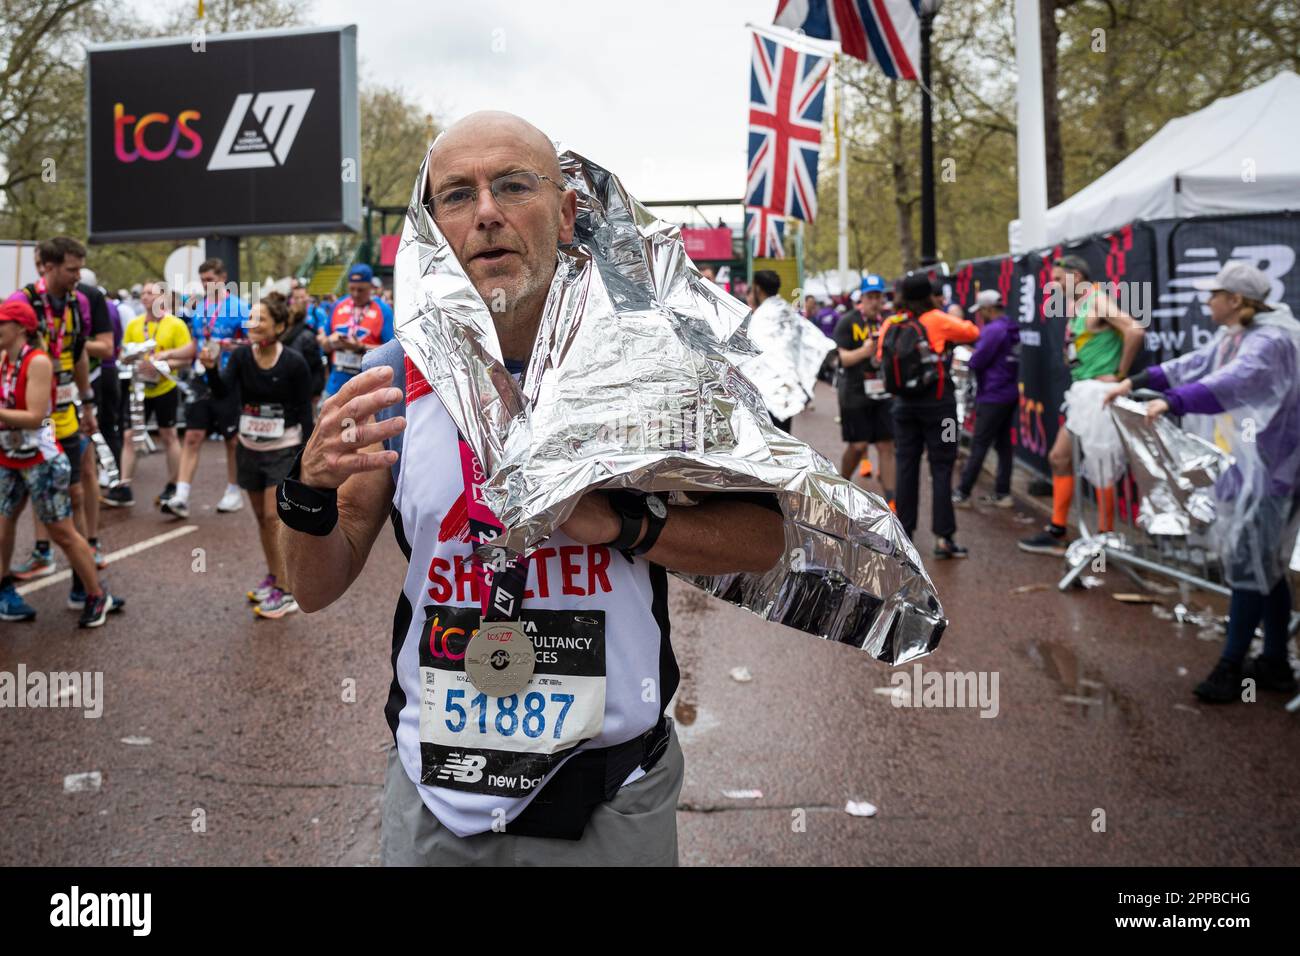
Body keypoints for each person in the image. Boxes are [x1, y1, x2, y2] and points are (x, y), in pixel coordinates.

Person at [277, 110, 784, 866]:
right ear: (433, 227)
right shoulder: (388, 378)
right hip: (437, 792)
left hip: (610, 794)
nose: (485, 213)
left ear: (569, 209)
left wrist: (622, 526)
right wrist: (307, 491)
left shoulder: (655, 368)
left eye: (513, 185)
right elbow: (315, 587)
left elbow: (764, 539)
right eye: (456, 195)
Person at [1104, 263, 1300, 703]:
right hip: (1254, 470)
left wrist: (1170, 400)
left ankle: (1232, 666)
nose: (1206, 300)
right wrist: (1135, 382)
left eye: (1214, 294)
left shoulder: (1270, 341)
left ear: (1235, 300)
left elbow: (1232, 382)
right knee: (1263, 567)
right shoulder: (1237, 335)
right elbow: (1193, 364)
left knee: (1252, 566)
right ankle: (1274, 663)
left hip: (1273, 474)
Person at [0, 297, 124, 627]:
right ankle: (4, 590)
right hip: (9, 456)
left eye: (1, 323)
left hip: (42, 459)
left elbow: (35, 415)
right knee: (2, 522)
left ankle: (95, 594)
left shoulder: (37, 361)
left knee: (62, 532)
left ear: (20, 328)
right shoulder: (3, 360)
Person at [1020, 255, 1144, 555]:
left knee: (1101, 465)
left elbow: (1134, 330)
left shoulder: (1098, 301)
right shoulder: (1079, 305)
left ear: (1076, 276)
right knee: (1060, 458)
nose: (1055, 285)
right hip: (1082, 394)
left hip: (1100, 393)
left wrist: (1120, 375)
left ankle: (1104, 538)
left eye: (1060, 279)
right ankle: (1058, 530)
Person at [203, 293, 312, 619]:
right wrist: (210, 370)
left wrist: (307, 457)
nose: (252, 324)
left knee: (271, 517)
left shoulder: (294, 362)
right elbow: (222, 392)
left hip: (284, 447)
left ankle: (287, 590)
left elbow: (306, 411)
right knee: (261, 522)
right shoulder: (240, 358)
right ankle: (274, 576)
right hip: (250, 448)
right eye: (251, 318)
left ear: (278, 326)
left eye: (260, 319)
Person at [6, 239, 102, 601]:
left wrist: (87, 403)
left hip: (64, 417)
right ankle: (16, 578)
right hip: (27, 421)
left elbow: (77, 354)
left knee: (74, 493)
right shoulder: (21, 302)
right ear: (46, 266)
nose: (78, 277)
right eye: (71, 269)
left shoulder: (79, 304)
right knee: (13, 504)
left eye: (80, 269)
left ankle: (82, 583)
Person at [877, 273, 980, 557]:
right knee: (942, 466)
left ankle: (905, 535)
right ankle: (943, 538)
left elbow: (879, 357)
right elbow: (972, 332)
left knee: (906, 466)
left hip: (903, 407)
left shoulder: (891, 323)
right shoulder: (937, 319)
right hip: (940, 408)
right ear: (929, 295)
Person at [162, 257, 249, 519]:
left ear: (223, 279)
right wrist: (168, 354)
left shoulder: (239, 307)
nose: (205, 284)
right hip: (202, 379)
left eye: (210, 280)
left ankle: (233, 491)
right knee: (192, 436)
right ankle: (181, 494)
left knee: (231, 439)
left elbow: (254, 344)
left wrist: (230, 346)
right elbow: (196, 345)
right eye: (202, 281)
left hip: (228, 380)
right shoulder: (200, 308)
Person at [106, 281, 191, 508]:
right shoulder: (134, 325)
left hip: (164, 389)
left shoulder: (175, 325)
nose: (145, 297)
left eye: (150, 293)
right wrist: (132, 360)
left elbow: (187, 359)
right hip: (138, 390)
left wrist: (162, 365)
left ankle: (173, 484)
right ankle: (124, 488)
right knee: (129, 436)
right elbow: (123, 355)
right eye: (143, 293)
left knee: (168, 435)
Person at [953, 289, 1020, 508]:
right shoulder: (1009, 326)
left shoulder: (994, 330)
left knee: (979, 444)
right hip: (1008, 393)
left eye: (981, 311)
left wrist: (970, 353)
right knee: (1003, 446)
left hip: (992, 395)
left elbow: (977, 361)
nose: (980, 315)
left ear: (989, 309)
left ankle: (962, 492)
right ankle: (1003, 493)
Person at [834, 274, 894, 505]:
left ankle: (892, 501)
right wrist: (865, 351)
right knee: (858, 446)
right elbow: (842, 359)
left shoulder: (887, 322)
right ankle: (842, 483)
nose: (875, 301)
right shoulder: (848, 321)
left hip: (883, 392)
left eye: (878, 296)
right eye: (870, 296)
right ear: (862, 298)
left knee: (886, 445)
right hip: (854, 391)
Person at [323, 263, 393, 398]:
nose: (355, 294)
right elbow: (324, 345)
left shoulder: (383, 310)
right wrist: (331, 342)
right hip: (335, 388)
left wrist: (361, 347)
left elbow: (391, 352)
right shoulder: (338, 306)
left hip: (368, 390)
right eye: (352, 289)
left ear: (371, 287)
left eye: (361, 290)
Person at [746, 270, 799, 433]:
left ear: (758, 289)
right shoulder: (786, 312)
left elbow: (753, 358)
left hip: (766, 392)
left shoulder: (762, 317)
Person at [285, 285, 326, 402]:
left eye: (302, 297)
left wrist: (310, 337)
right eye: (296, 298)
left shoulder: (316, 312)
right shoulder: (290, 312)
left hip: (314, 358)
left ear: (307, 296)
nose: (299, 300)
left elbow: (322, 334)